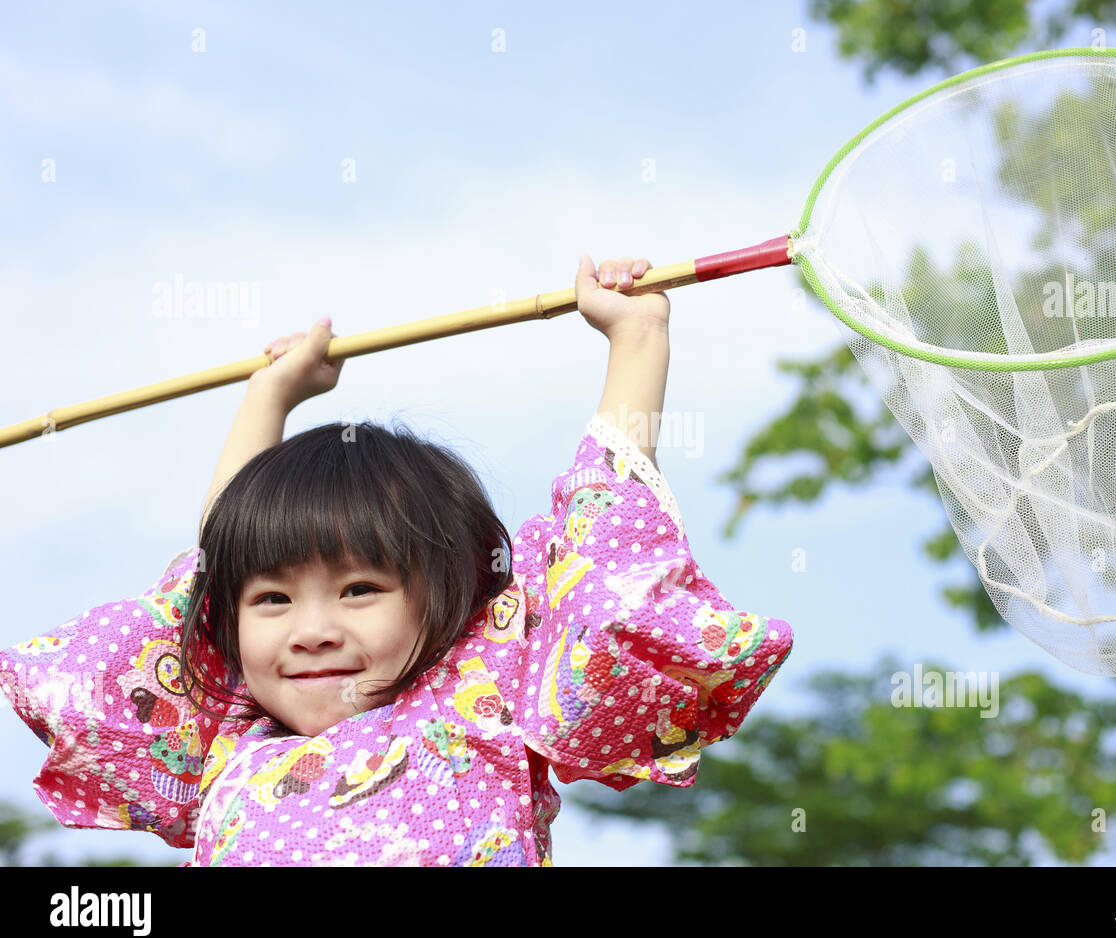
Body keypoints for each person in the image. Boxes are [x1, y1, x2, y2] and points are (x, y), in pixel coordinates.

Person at [0, 254, 794, 866]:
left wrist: (636, 338)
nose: (310, 630)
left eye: (358, 589)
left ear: (449, 599)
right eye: (273, 601)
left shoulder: (484, 679)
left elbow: (602, 530)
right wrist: (268, 396)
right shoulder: (227, 724)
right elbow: (221, 565)